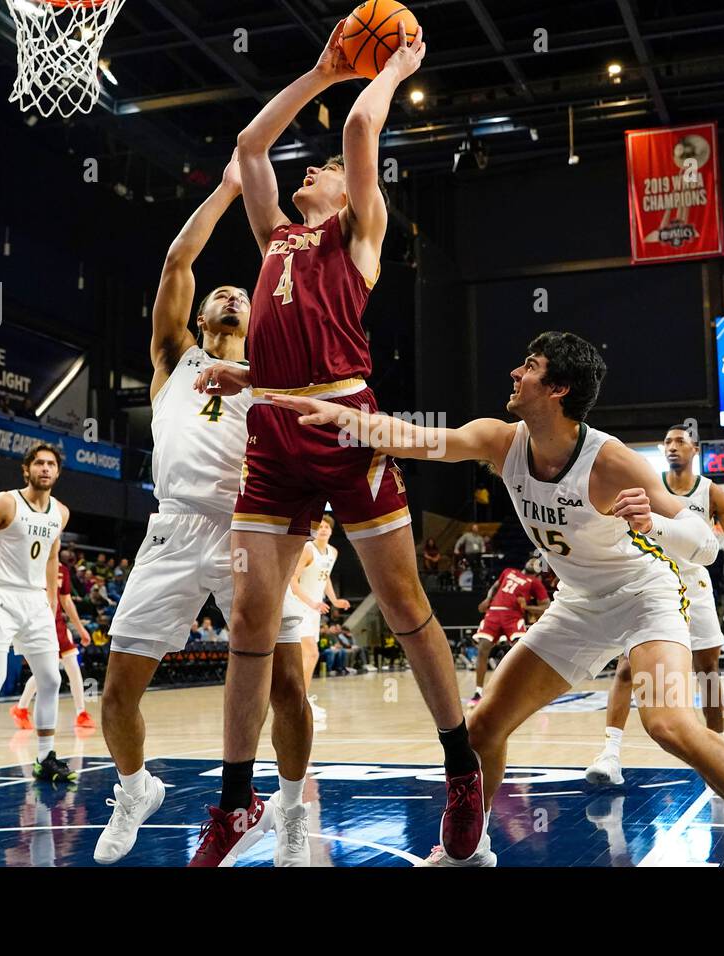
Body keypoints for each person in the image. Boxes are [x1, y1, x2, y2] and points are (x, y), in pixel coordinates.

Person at [270, 330, 724, 867]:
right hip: (578, 604)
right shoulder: (500, 441)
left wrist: (653, 524)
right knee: (483, 727)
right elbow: (419, 440)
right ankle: (469, 853)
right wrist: (343, 416)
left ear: (558, 389)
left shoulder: (611, 462)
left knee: (670, 726)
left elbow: (707, 547)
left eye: (530, 367)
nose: (514, 373)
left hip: (644, 596)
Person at [187, 22, 486, 868]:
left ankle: (460, 767)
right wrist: (319, 70)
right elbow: (250, 145)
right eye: (307, 168)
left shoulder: (358, 236)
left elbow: (358, 130)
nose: (309, 168)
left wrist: (391, 65)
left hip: (349, 427)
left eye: (320, 173)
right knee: (250, 614)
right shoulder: (274, 236)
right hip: (276, 431)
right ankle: (236, 799)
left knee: (403, 606)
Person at [95, 153, 303, 866]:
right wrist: (225, 191)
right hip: (173, 528)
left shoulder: (271, 372)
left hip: (252, 526)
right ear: (203, 315)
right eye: (219, 293)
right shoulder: (171, 359)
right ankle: (134, 790)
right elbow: (177, 261)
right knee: (117, 691)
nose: (229, 297)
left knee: (286, 687)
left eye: (241, 293)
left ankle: (289, 805)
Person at [587, 423, 724, 785]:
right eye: (668, 442)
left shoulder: (712, 493)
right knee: (628, 667)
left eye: (680, 441)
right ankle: (609, 754)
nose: (673, 447)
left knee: (708, 673)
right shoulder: (644, 484)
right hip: (652, 581)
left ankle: (716, 753)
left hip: (695, 584)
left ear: (695, 451)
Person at [0, 443, 76, 790]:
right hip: (1, 598)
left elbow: (53, 557)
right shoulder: (6, 502)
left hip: (36, 601)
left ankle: (46, 757)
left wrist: (51, 602)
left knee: (52, 680)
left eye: (50, 464)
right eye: (38, 463)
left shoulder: (61, 513)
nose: (44, 468)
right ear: (27, 469)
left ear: (57, 472)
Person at [10, 555, 95, 731]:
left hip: (59, 627)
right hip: (38, 627)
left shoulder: (62, 570)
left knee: (73, 667)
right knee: (45, 673)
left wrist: (80, 629)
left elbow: (66, 600)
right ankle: (21, 708)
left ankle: (81, 713)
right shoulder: (31, 564)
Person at [282, 514, 351, 721]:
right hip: (299, 605)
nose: (323, 529)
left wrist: (335, 600)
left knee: (307, 656)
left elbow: (325, 575)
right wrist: (311, 602)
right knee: (311, 653)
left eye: (326, 527)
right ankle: (299, 701)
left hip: (314, 609)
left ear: (331, 531)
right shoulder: (307, 548)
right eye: (319, 526)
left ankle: (300, 700)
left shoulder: (333, 552)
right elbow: (292, 579)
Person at [467, 559, 549, 709]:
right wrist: (488, 599)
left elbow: (546, 605)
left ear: (538, 570)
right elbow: (495, 586)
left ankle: (524, 691)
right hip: (494, 612)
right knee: (482, 649)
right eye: (531, 559)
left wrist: (528, 607)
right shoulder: (508, 571)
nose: (532, 561)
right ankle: (478, 692)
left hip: (513, 616)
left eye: (536, 562)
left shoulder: (534, 582)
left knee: (522, 652)